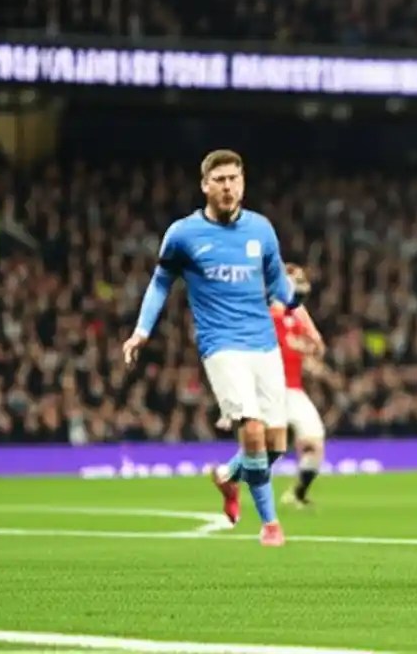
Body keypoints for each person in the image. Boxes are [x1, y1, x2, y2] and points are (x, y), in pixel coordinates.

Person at [124, 149, 319, 547]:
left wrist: (299, 306)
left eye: (234, 178)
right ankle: (270, 524)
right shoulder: (183, 235)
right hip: (221, 346)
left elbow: (278, 288)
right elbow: (161, 282)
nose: (228, 186)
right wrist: (142, 331)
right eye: (220, 179)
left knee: (275, 444)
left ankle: (229, 476)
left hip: (264, 345)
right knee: (250, 428)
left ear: (243, 183)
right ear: (205, 185)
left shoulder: (261, 230)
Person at [276, 263, 330, 509]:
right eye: (296, 280)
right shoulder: (267, 312)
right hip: (269, 389)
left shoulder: (295, 315)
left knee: (315, 443)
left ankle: (298, 493)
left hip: (293, 390)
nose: (301, 285)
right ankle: (229, 479)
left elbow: (317, 348)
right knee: (262, 447)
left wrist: (309, 349)